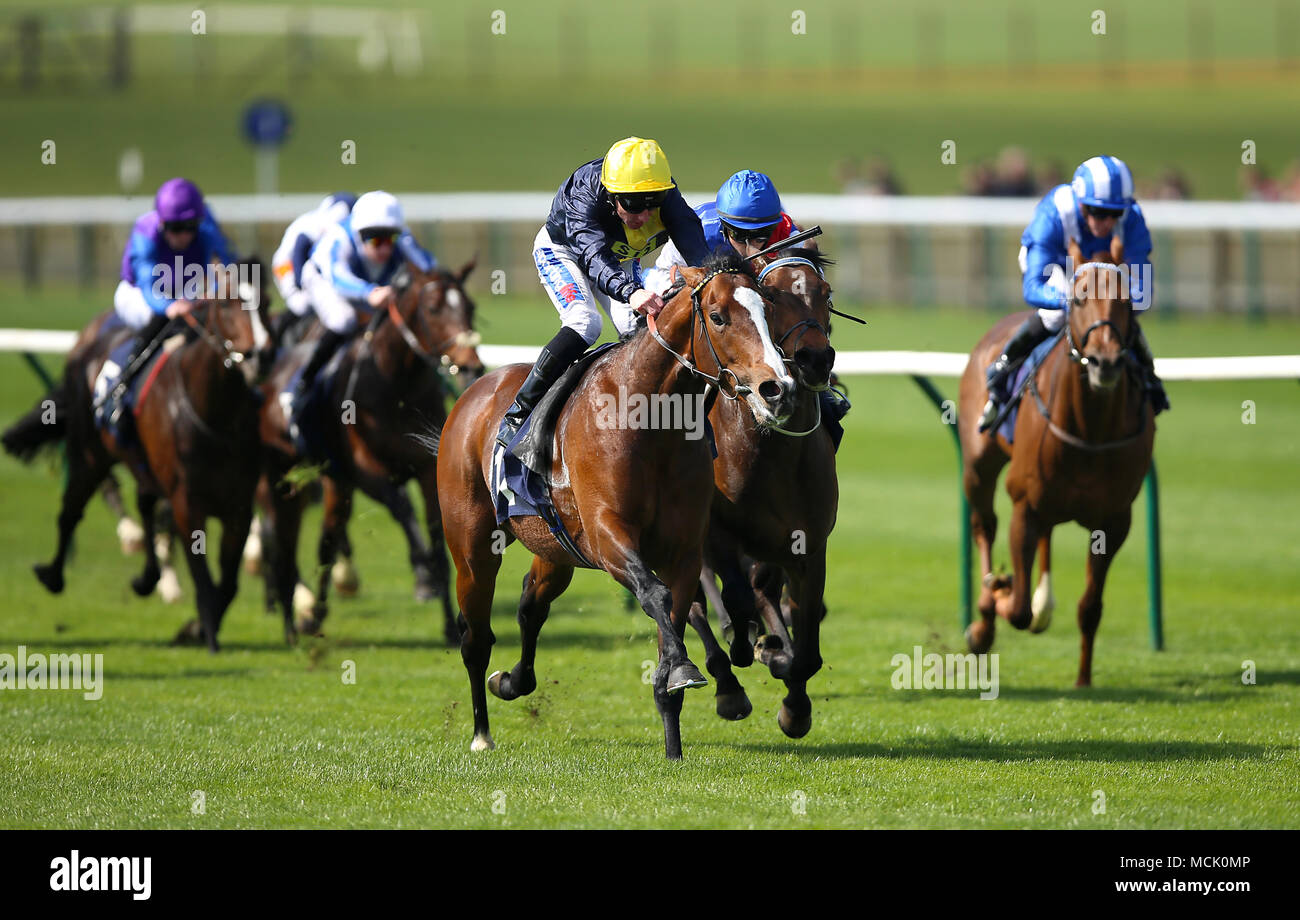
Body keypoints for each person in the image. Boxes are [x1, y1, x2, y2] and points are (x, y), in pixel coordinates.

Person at [497, 136, 709, 449]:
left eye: (654, 200)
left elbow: (696, 247)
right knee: (585, 322)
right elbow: (593, 258)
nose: (646, 214)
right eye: (634, 204)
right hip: (567, 252)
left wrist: (714, 275)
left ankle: (658, 417)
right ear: (610, 195)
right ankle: (520, 412)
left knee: (636, 329)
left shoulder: (661, 195)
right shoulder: (584, 195)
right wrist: (630, 291)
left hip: (618, 258)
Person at [979, 155, 1169, 432]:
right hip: (1058, 266)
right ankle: (1002, 372)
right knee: (1055, 317)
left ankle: (1150, 379)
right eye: (1096, 212)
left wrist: (1112, 304)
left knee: (1116, 320)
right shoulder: (1054, 213)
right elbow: (1033, 287)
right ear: (1080, 202)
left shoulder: (1133, 218)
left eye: (1114, 213)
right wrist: (1074, 302)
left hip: (1105, 273)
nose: (1105, 222)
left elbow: (1143, 292)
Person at [284, 190, 436, 424]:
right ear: (359, 235)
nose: (385, 248)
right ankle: (301, 383)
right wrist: (368, 293)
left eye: (390, 240)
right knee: (343, 320)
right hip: (322, 280)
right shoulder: (338, 238)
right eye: (376, 240)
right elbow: (337, 277)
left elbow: (426, 265)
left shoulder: (402, 236)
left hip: (369, 286)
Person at [107, 177, 236, 412]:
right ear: (162, 223)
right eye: (175, 228)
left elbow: (228, 268)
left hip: (183, 290)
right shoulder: (146, 234)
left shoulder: (207, 229)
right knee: (161, 321)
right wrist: (170, 306)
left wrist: (216, 291)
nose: (183, 236)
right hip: (137, 293)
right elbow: (148, 286)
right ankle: (123, 385)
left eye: (190, 228)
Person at [644, 169, 800, 294]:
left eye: (760, 235)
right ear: (724, 225)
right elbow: (662, 274)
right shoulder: (697, 230)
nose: (750, 248)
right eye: (740, 235)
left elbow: (813, 280)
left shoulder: (786, 232)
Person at [270, 192, 357, 344]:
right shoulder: (335, 217)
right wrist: (299, 283)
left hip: (307, 265)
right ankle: (273, 336)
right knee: (302, 304)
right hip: (286, 265)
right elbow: (301, 247)